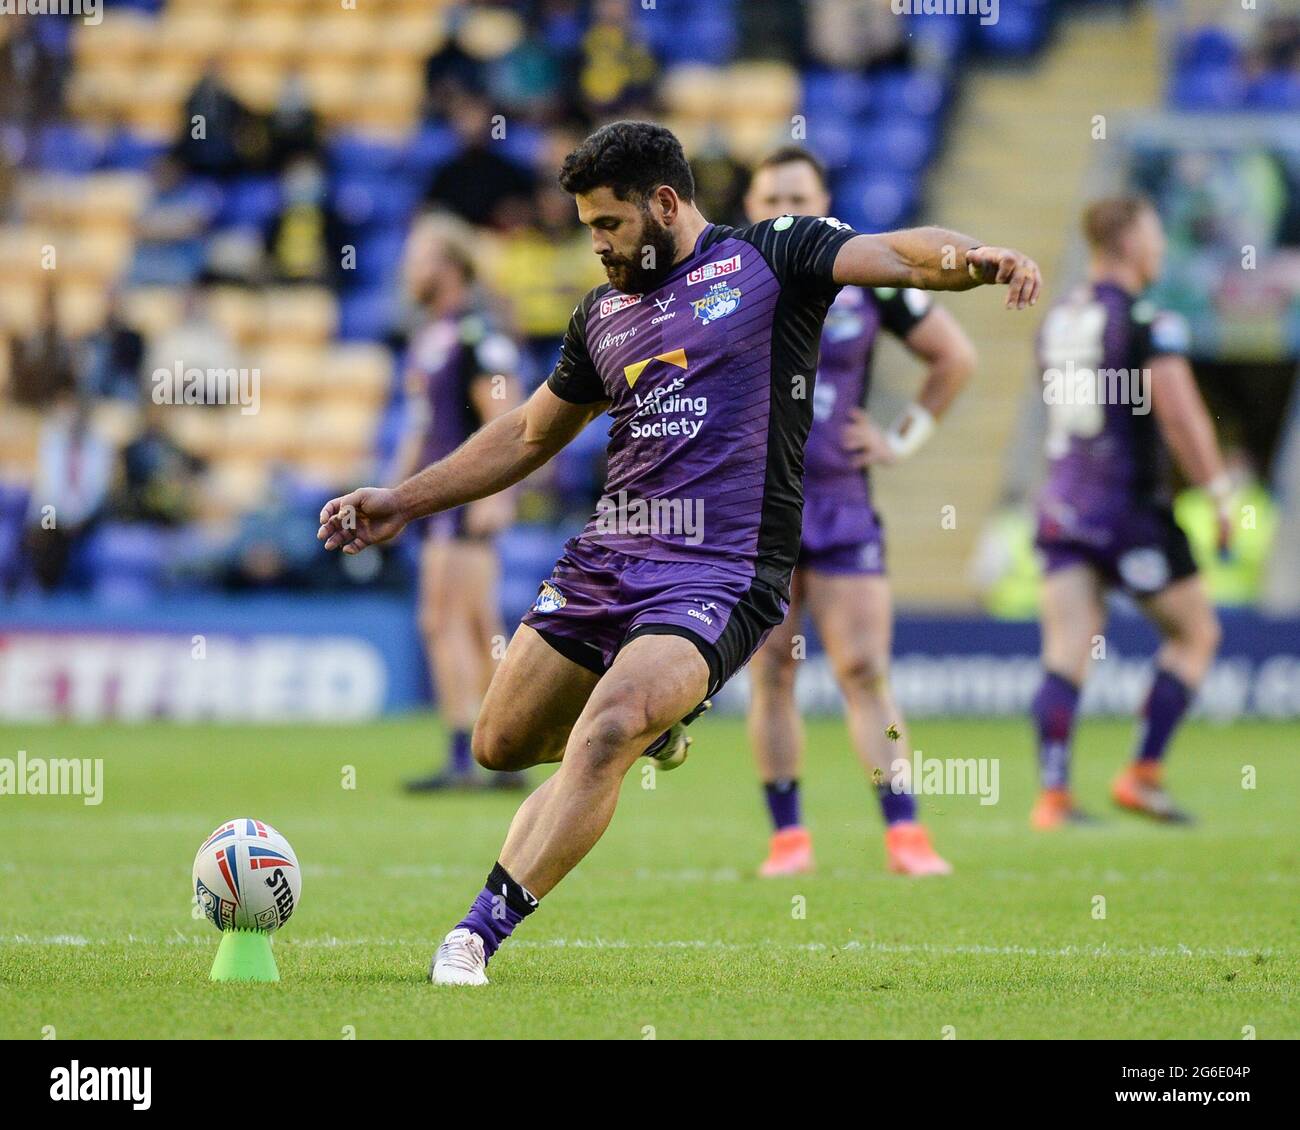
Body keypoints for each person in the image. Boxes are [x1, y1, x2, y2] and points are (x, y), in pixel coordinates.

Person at [317, 121, 1040, 985]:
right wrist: (400, 499)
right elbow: (523, 434)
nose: (598, 246)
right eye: (588, 228)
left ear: (664, 203)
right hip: (609, 555)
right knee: (499, 744)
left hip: (723, 571)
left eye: (609, 225)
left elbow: (902, 255)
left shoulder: (772, 257)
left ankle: (476, 933)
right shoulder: (602, 315)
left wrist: (978, 257)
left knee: (609, 727)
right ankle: (658, 728)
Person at [742, 146, 977, 878]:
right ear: (750, 209)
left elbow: (955, 357)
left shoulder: (867, 274)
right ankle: (789, 839)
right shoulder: (725, 279)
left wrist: (901, 437)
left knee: (866, 667)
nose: (785, 210)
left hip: (843, 501)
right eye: (772, 198)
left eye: (799, 197)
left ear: (825, 203)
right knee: (772, 670)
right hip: (756, 507)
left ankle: (905, 834)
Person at [1029, 195, 1227, 829]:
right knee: (1196, 634)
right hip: (1128, 507)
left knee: (1066, 647)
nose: (1161, 246)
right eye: (1156, 232)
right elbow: (1178, 412)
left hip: (1063, 502)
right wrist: (1219, 494)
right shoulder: (1147, 317)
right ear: (1130, 241)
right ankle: (1143, 773)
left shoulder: (1059, 316)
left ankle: (1054, 795)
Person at [393, 214, 524, 792]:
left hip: (464, 493)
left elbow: (507, 414)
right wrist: (391, 498)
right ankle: (499, 751)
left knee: (453, 620)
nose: (408, 268)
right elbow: (420, 428)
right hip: (437, 496)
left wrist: (502, 489)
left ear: (447, 264)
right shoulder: (434, 333)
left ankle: (474, 752)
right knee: (466, 622)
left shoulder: (475, 331)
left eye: (419, 256)